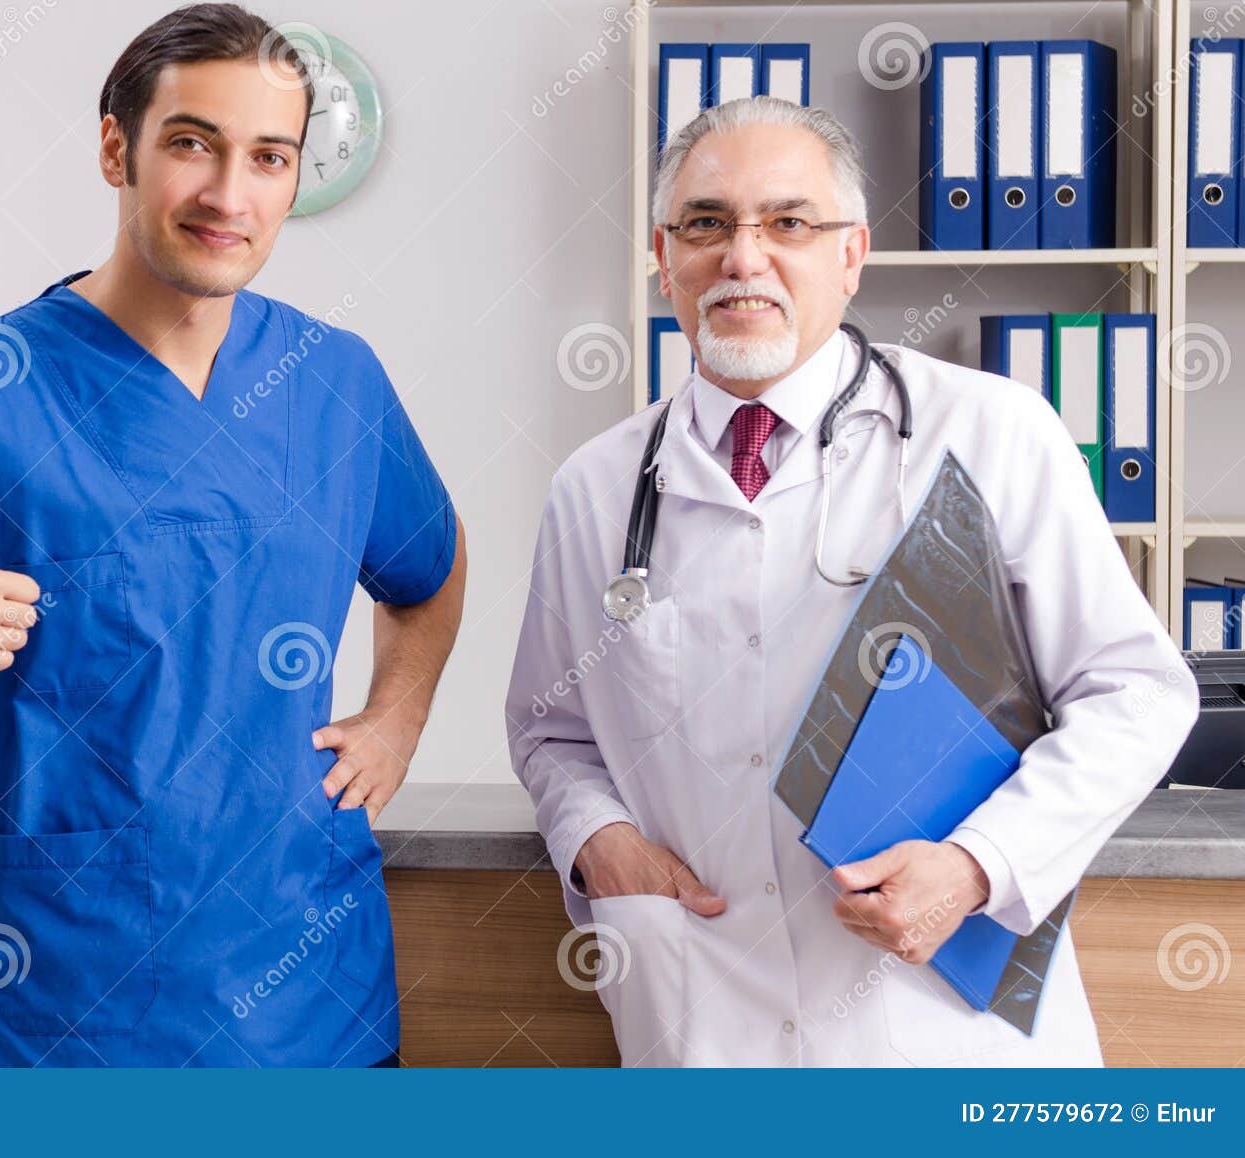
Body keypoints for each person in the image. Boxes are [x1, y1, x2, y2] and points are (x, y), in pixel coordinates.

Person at [0, 2, 466, 1068]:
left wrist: (396, 717)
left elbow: (426, 564)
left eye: (269, 157)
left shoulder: (335, 382)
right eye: (191, 143)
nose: (227, 194)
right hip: (70, 1034)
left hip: (316, 1025)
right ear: (117, 146)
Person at [504, 96, 1197, 1067]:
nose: (743, 257)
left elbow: (1136, 692)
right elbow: (551, 728)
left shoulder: (991, 432)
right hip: (704, 1021)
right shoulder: (596, 488)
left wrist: (976, 865)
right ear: (663, 257)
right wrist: (598, 837)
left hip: (942, 1033)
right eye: (705, 224)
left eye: (788, 222)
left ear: (850, 254)